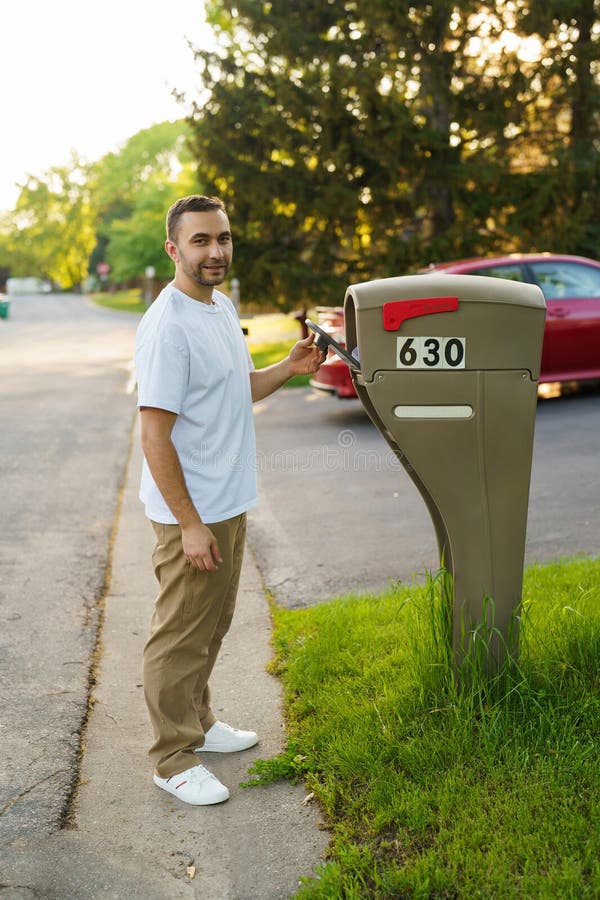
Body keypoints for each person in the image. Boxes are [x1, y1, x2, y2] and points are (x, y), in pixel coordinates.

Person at [134, 194, 324, 806]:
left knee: (211, 625)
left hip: (228, 498)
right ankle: (171, 756)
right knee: (179, 634)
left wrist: (287, 368)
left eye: (222, 238)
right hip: (191, 509)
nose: (214, 251)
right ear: (173, 249)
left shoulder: (218, 307)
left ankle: (201, 722)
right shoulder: (168, 327)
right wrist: (189, 524)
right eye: (199, 241)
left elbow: (236, 388)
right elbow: (153, 434)